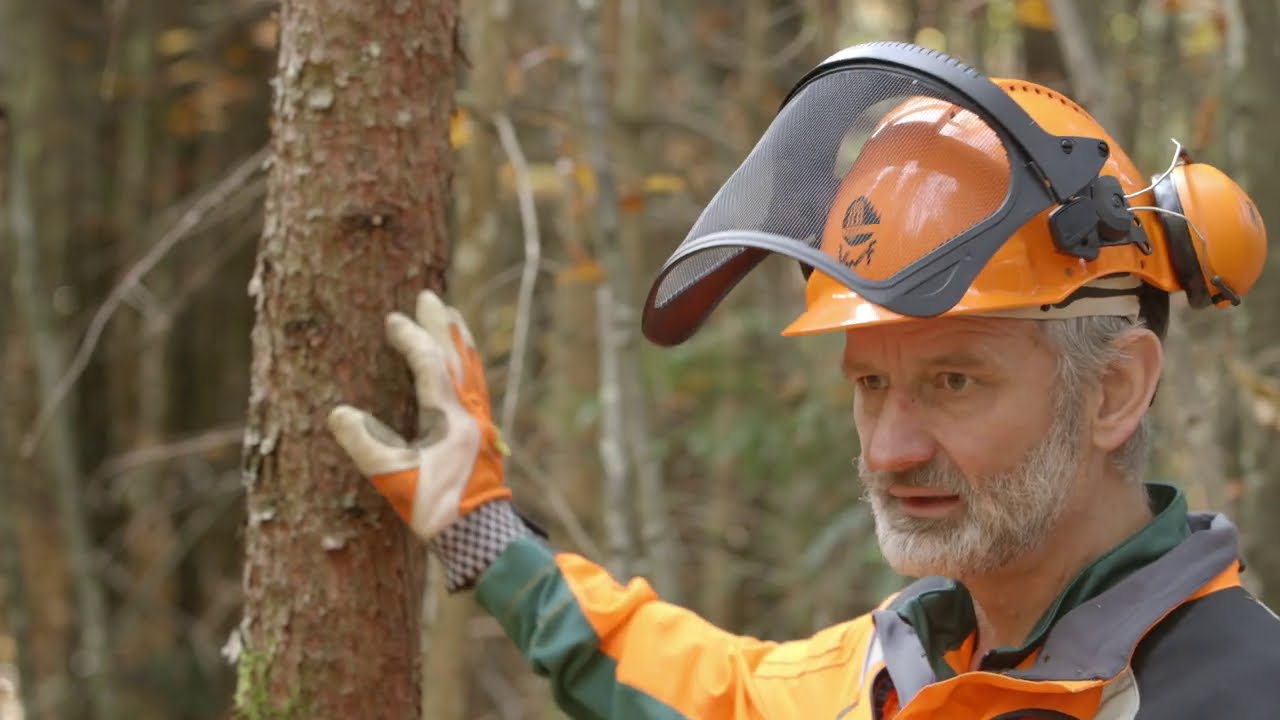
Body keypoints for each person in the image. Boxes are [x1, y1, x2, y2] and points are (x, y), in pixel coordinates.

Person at [326, 43, 1280, 719]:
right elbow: (695, 687)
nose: (890, 449)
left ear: (1114, 391)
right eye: (870, 385)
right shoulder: (896, 671)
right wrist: (476, 523)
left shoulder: (1238, 694)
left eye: (953, 381)